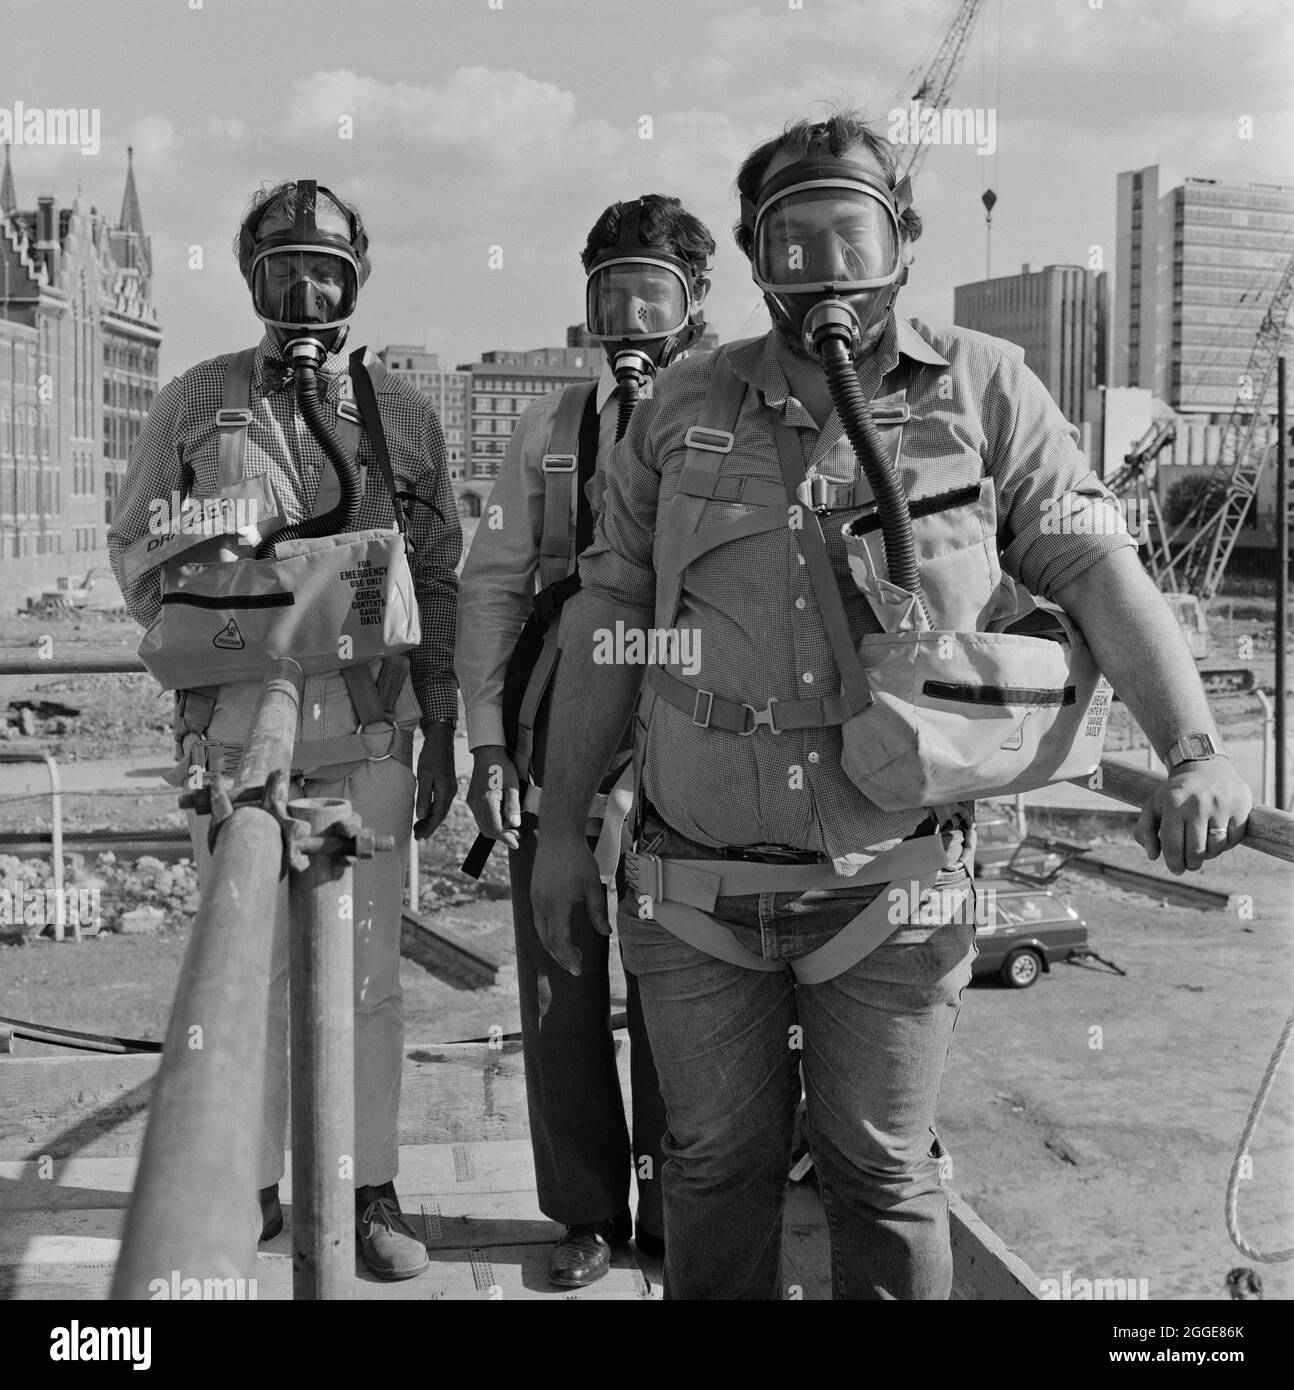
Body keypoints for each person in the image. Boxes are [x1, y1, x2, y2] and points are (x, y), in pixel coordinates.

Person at [530, 111, 1252, 1300]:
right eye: (791, 243)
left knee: (882, 1174)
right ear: (754, 259)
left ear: (903, 242)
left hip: (893, 882)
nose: (823, 276)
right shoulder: (681, 404)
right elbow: (606, 613)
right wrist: (562, 830)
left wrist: (1194, 748)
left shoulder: (986, 385)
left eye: (848, 238)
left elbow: (1092, 561)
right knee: (710, 1169)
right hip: (695, 878)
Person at [108, 179, 461, 1282]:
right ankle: (254, 1184)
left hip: (364, 733)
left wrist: (441, 725)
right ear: (251, 280)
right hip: (235, 738)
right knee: (244, 976)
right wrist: (248, 587)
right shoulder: (195, 400)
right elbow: (134, 552)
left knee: (369, 983)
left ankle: (364, 1188)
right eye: (282, 270)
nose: (305, 291)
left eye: (326, 269)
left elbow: (439, 577)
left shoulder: (401, 410)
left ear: (356, 279)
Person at [455, 195, 714, 1287]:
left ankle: (678, 1207)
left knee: (681, 987)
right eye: (609, 294)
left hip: (684, 730)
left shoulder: (728, 419)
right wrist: (486, 745)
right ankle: (585, 1214)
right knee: (560, 980)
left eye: (649, 293)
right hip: (557, 729)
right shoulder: (551, 431)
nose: (628, 320)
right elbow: (491, 586)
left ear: (696, 305)